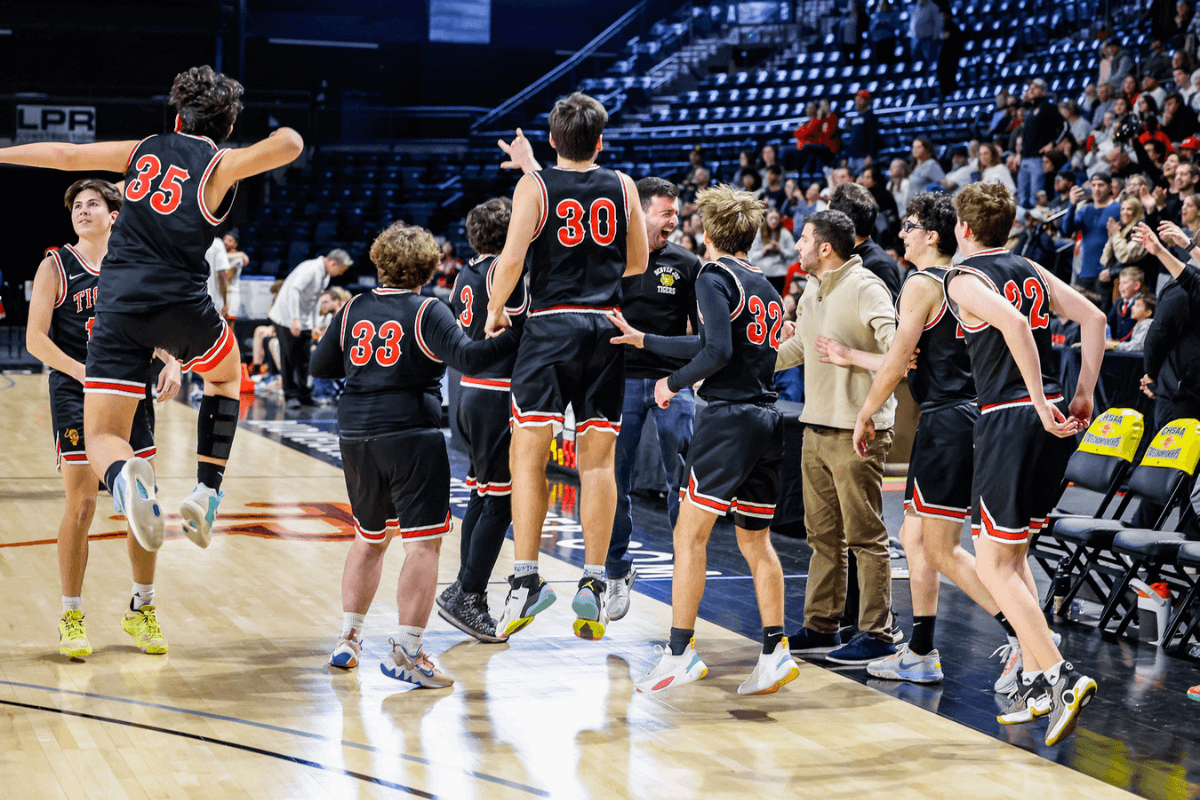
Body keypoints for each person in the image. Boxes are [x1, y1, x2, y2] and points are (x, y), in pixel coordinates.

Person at [0, 65, 304, 553]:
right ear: (224, 128)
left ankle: (125, 483)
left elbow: (67, 155)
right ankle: (206, 491)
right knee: (225, 376)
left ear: (177, 118)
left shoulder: (141, 150)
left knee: (101, 435)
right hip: (183, 306)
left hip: (118, 310)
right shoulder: (220, 164)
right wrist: (268, 137)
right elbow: (290, 143)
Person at [814, 191, 1021, 686]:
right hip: (965, 413)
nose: (900, 233)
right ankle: (922, 650)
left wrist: (865, 410)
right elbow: (905, 362)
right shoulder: (964, 279)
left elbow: (897, 360)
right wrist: (852, 358)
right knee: (913, 537)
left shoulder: (922, 284)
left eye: (908, 225)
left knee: (942, 547)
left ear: (932, 236)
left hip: (949, 419)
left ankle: (1025, 634)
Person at [608, 185, 796, 696]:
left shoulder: (714, 274)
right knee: (756, 540)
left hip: (730, 417)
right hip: (767, 418)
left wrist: (669, 381)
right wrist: (645, 339)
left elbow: (714, 352)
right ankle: (775, 650)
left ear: (708, 233)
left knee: (688, 536)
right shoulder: (767, 286)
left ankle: (679, 652)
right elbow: (720, 341)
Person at [312, 221, 518, 684]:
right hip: (410, 433)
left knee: (369, 538)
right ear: (428, 267)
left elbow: (320, 365)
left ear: (379, 260)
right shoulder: (429, 309)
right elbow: (470, 359)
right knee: (422, 542)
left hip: (355, 433)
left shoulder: (353, 307)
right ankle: (407, 650)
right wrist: (516, 333)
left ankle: (348, 639)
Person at [943, 182, 1104, 746]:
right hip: (1052, 417)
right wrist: (1081, 393)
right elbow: (1094, 318)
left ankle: (1061, 675)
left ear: (964, 229)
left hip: (1012, 418)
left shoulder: (963, 278)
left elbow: (1012, 326)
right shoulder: (1031, 267)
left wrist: (1037, 400)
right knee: (1013, 560)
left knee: (992, 564)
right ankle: (1036, 678)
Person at [485, 93, 648, 641]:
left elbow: (510, 260)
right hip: (606, 326)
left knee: (527, 457)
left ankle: (527, 577)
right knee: (597, 463)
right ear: (601, 140)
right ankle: (597, 583)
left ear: (553, 139)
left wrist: (493, 311)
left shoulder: (534, 187)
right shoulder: (624, 185)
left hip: (550, 328)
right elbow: (639, 262)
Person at [25, 178, 182, 659]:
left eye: (93, 204)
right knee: (82, 507)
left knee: (143, 505)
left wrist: (172, 359)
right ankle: (72, 614)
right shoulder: (56, 264)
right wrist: (83, 372)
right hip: (77, 394)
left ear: (115, 215)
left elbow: (154, 328)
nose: (82, 211)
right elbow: (35, 339)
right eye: (76, 206)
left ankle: (143, 609)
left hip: (129, 392)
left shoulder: (130, 265)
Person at [775, 210, 899, 665]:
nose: (798, 246)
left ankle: (878, 632)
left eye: (804, 239)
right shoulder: (812, 289)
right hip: (815, 426)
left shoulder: (867, 287)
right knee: (822, 536)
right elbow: (800, 348)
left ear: (825, 247)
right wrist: (749, 363)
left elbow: (900, 354)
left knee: (865, 536)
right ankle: (822, 624)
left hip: (858, 431)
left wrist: (850, 355)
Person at [437, 197, 529, 642]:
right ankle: (470, 594)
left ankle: (463, 585)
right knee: (499, 501)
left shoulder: (464, 274)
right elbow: (523, 330)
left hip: (469, 392)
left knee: (482, 494)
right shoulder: (504, 271)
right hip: (496, 394)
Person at [268, 248, 354, 409]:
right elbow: (293, 291)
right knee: (289, 357)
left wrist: (313, 323)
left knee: (304, 358)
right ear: (333, 263)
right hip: (286, 317)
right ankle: (290, 395)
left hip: (304, 319)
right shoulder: (310, 268)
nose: (341, 274)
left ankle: (304, 394)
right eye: (341, 269)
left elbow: (315, 301)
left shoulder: (324, 275)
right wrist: (294, 319)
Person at [829, 182, 903, 299]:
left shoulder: (879, 265)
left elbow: (889, 315)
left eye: (828, 217)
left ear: (840, 225)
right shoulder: (841, 258)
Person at [1062, 173, 1121, 300]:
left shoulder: (1118, 209)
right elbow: (1067, 230)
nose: (1096, 189)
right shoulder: (1085, 210)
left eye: (1101, 185)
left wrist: (1113, 270)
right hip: (1085, 272)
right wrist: (1072, 204)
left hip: (1106, 272)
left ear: (1110, 187)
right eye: (1093, 185)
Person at [1017, 78, 1069, 210]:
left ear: (1043, 91)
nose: (1031, 90)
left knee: (1036, 197)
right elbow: (1026, 134)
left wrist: (1053, 143)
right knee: (1022, 197)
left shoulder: (1047, 106)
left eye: (1035, 88)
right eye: (1030, 88)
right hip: (1025, 158)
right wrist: (1019, 153)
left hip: (1038, 158)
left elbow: (1065, 126)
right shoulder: (1029, 109)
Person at [749, 207, 797, 293]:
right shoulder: (758, 234)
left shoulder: (785, 233)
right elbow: (751, 256)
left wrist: (780, 250)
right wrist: (764, 250)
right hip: (763, 272)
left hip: (780, 272)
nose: (774, 221)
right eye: (771, 218)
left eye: (776, 218)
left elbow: (793, 253)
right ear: (766, 219)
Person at [221, 232, 248, 318]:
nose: (225, 242)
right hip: (221, 292)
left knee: (229, 324)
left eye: (229, 240)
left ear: (235, 244)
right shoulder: (221, 256)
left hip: (231, 294)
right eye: (224, 239)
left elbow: (227, 277)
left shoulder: (238, 259)